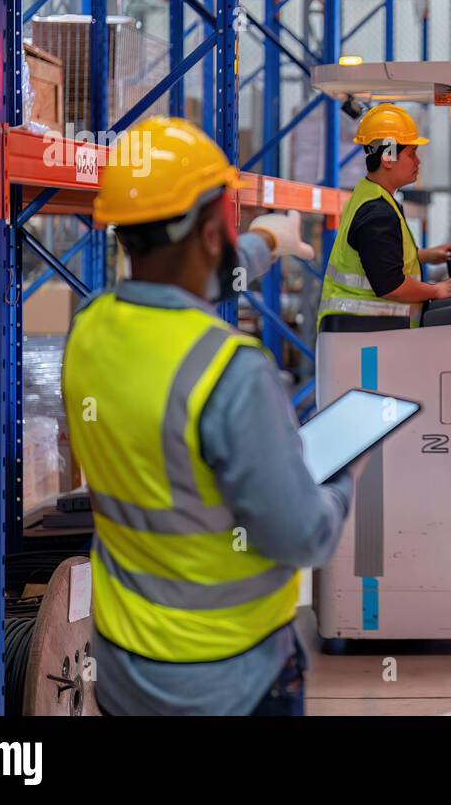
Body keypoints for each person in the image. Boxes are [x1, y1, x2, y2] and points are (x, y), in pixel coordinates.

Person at [63, 116, 354, 716]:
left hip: (122, 669)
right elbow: (303, 535)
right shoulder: (231, 372)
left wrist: (270, 242)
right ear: (214, 227)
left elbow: (181, 278)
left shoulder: (88, 331)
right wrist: (344, 475)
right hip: (232, 678)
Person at [318, 103, 451, 331]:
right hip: (364, 334)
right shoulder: (377, 212)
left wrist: (427, 255)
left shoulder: (369, 196)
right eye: (412, 153)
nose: (418, 162)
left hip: (362, 329)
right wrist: (437, 290)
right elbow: (391, 285)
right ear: (387, 156)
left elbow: (378, 255)